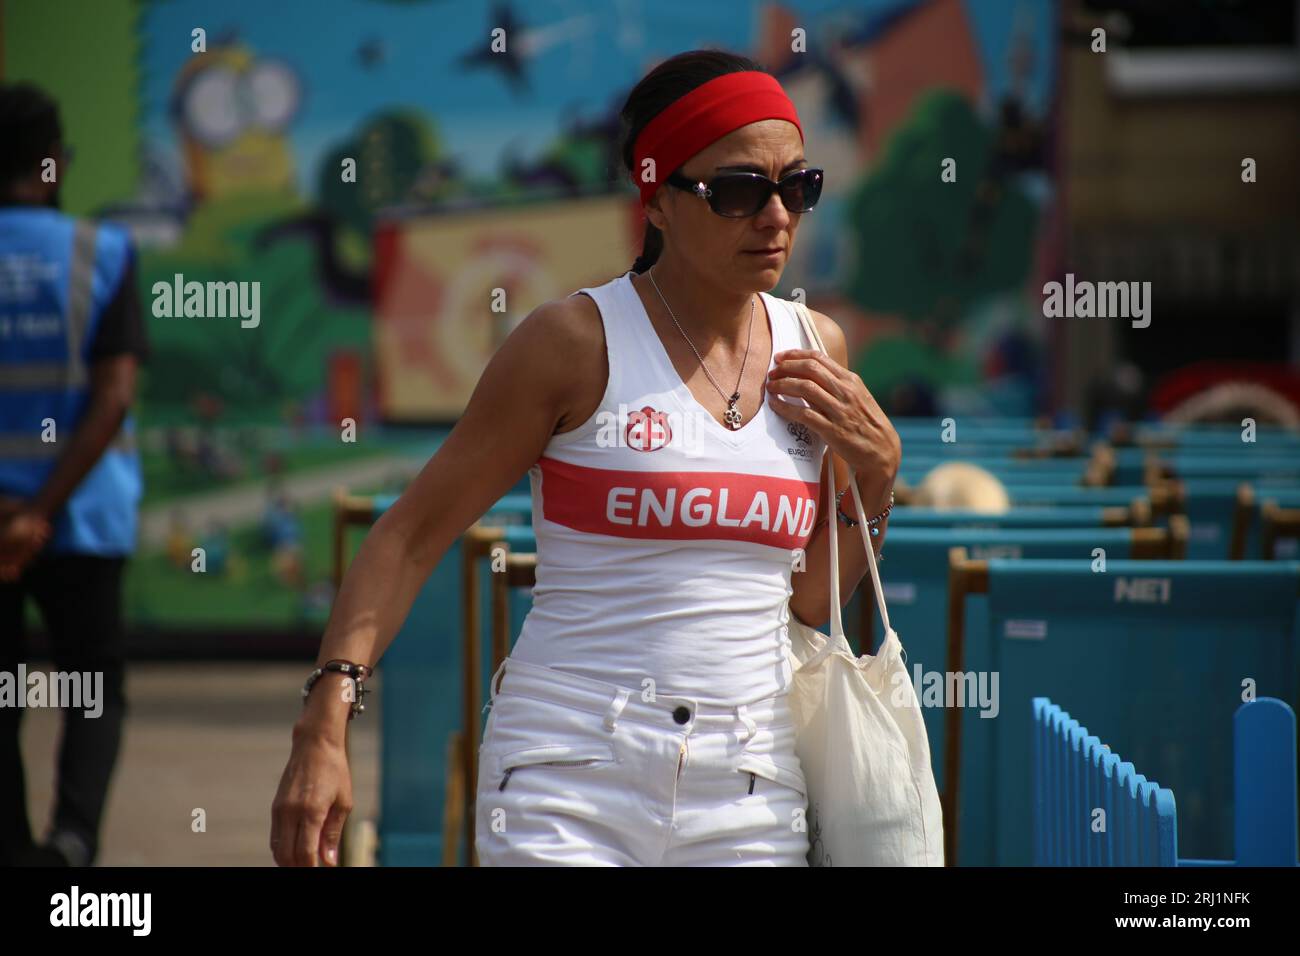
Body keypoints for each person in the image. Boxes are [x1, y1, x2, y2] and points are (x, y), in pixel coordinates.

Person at [272, 49, 902, 867]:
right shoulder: (573, 342)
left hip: (751, 784)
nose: (777, 216)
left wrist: (877, 477)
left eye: (798, 186)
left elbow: (810, 598)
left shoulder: (817, 347)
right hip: (567, 772)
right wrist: (324, 724)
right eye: (739, 190)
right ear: (658, 199)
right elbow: (411, 536)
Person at [0, 83, 150, 866]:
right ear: (53, 163)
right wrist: (42, 510)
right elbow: (114, 395)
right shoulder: (103, 252)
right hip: (82, 517)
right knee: (92, 688)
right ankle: (69, 844)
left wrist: (9, 515)